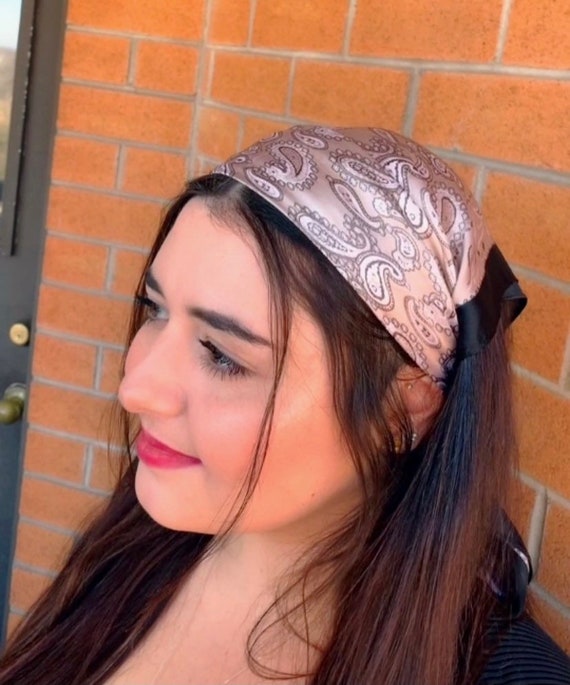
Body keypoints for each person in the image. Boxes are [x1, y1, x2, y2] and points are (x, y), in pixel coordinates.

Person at [1, 126, 569, 685]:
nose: (135, 390)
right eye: (155, 310)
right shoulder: (135, 543)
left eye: (222, 355)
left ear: (405, 408)